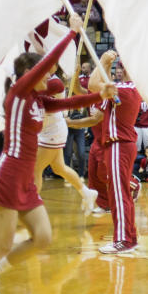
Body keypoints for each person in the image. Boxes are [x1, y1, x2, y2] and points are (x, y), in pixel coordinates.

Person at [0, 20, 109, 294]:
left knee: (42, 238)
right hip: (8, 173)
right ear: (29, 72)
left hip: (25, 178)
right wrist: (72, 32)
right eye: (43, 70)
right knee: (0, 245)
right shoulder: (17, 93)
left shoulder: (39, 100)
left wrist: (100, 95)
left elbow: (68, 103)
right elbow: (47, 63)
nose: (49, 73)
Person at [86, 52, 144, 254]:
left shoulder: (126, 90)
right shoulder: (124, 90)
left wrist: (102, 61)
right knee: (121, 193)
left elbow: (93, 85)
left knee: (118, 194)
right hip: (118, 144)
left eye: (122, 66)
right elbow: (100, 88)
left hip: (120, 144)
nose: (120, 68)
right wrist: (107, 67)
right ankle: (130, 237)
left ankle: (123, 240)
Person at [33, 73, 99, 210]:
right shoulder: (41, 79)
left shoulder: (54, 83)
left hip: (52, 130)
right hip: (48, 128)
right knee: (59, 168)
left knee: (36, 169)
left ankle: (32, 205)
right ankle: (87, 193)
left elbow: (33, 94)